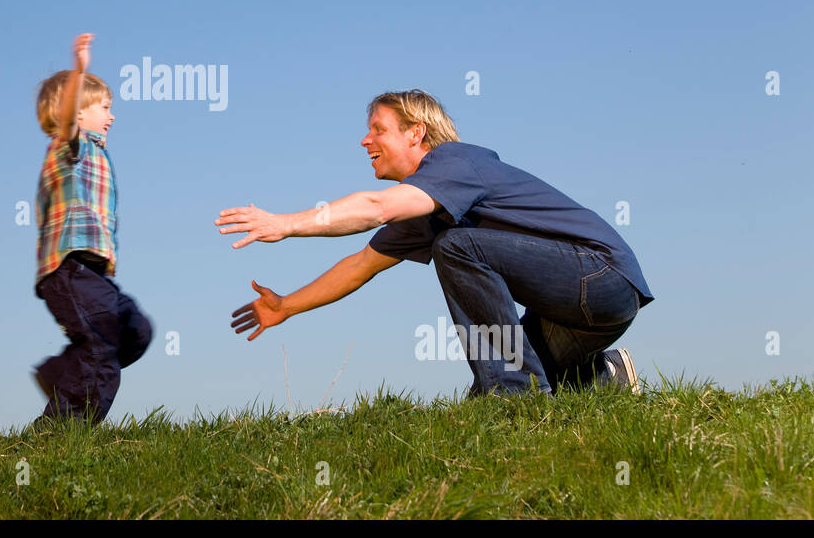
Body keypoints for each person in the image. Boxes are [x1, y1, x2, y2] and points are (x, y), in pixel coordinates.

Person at [216, 89, 653, 397]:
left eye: (378, 129)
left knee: (457, 249)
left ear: (415, 133)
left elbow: (375, 207)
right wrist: (286, 306)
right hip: (579, 308)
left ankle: (515, 399)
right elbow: (360, 265)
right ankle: (603, 375)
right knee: (485, 393)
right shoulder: (425, 208)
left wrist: (285, 223)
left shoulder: (455, 163)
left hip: (600, 278)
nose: (365, 141)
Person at [31, 33, 152, 423]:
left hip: (91, 274)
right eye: (104, 106)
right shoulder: (70, 146)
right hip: (70, 269)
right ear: (77, 112)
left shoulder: (96, 152)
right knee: (100, 351)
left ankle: (59, 374)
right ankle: (64, 432)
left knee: (135, 332)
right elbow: (66, 120)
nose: (112, 115)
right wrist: (79, 71)